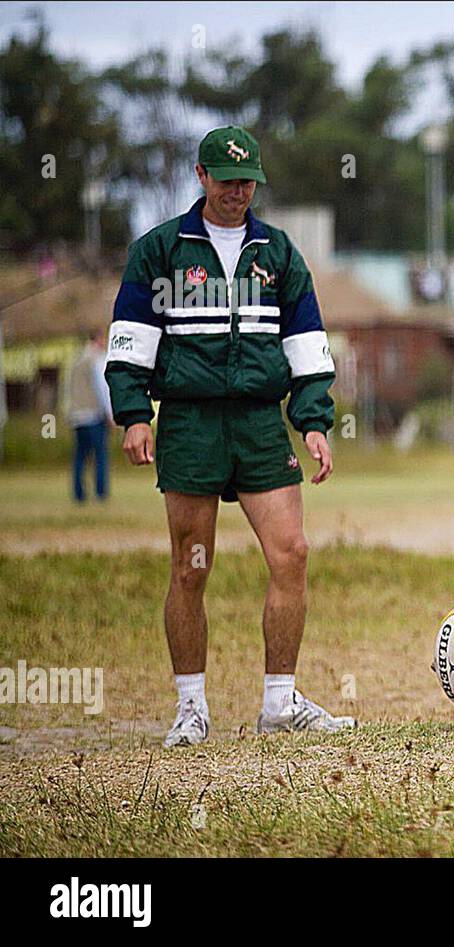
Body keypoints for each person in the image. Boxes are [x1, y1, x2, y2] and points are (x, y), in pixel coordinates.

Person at [105, 125, 354, 748]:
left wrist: (315, 420)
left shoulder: (277, 252)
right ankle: (191, 705)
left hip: (259, 424)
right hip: (190, 423)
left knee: (291, 553)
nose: (239, 191)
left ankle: (280, 699)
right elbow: (131, 338)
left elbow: (305, 344)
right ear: (201, 176)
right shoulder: (159, 250)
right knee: (192, 567)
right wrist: (135, 412)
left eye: (248, 181)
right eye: (227, 179)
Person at [68, 327, 113, 502]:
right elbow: (102, 388)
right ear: (98, 339)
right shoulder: (97, 359)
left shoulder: (77, 359)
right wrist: (110, 413)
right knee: (100, 455)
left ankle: (79, 494)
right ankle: (101, 493)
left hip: (77, 415)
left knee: (80, 455)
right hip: (93, 414)